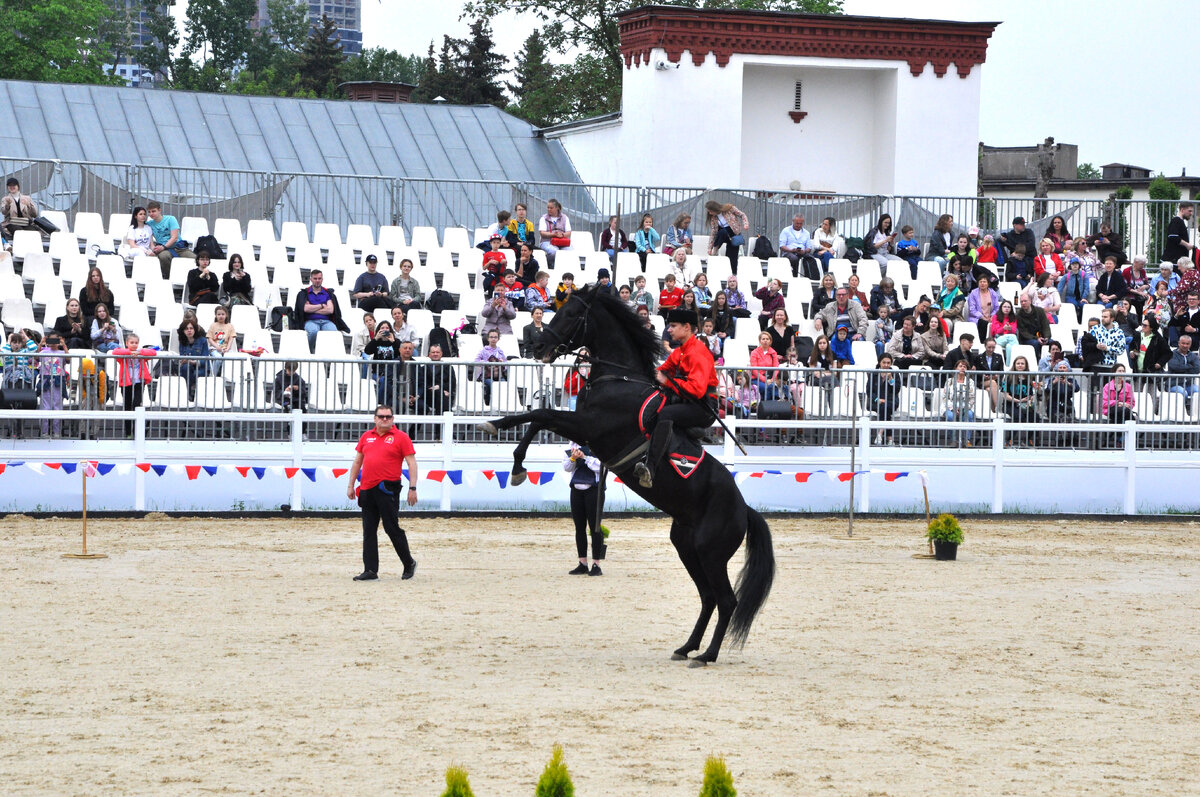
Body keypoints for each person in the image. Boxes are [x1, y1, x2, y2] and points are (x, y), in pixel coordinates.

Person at [633, 308, 717, 489]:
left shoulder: (697, 353)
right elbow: (662, 372)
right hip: (686, 400)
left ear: (687, 327)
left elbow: (696, 390)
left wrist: (668, 381)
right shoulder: (679, 352)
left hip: (704, 407)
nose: (669, 330)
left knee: (666, 414)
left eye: (673, 326)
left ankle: (651, 467)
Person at [346, 405, 419, 581]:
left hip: (387, 488)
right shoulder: (366, 437)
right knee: (368, 530)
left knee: (391, 528)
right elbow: (357, 462)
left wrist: (413, 487)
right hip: (367, 488)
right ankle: (370, 570)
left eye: (388, 417)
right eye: (381, 416)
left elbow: (412, 464)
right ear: (375, 418)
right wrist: (350, 485)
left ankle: (408, 562)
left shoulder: (401, 438)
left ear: (393, 419)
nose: (385, 419)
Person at [564, 442, 605, 576]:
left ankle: (596, 564)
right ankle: (582, 563)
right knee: (579, 527)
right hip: (576, 489)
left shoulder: (599, 442)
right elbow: (566, 467)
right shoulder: (572, 444)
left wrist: (585, 457)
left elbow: (602, 467)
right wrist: (573, 458)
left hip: (594, 490)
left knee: (595, 527)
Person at [294, 269, 349, 351]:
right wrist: (322, 305)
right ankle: (309, 353)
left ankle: (328, 356)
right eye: (315, 278)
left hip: (326, 321)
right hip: (310, 321)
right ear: (311, 279)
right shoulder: (304, 293)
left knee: (333, 331)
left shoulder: (328, 293)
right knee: (313, 331)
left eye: (319, 278)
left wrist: (312, 308)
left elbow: (330, 310)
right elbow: (305, 309)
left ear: (322, 279)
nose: (317, 281)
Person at [145, 200, 195, 278]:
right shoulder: (149, 224)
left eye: (153, 211)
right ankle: (170, 278)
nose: (151, 214)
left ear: (159, 210)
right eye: (149, 212)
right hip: (163, 250)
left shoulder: (170, 219)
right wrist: (154, 249)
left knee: (194, 258)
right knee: (164, 257)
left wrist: (163, 247)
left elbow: (174, 237)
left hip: (178, 247)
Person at [1000, 356, 1042, 447]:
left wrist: (1028, 401)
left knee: (1036, 417)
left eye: (1022, 363)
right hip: (1010, 404)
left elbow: (1030, 394)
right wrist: (1018, 401)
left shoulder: (1029, 378)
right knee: (1018, 416)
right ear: (1014, 365)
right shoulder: (1008, 377)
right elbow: (1005, 396)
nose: (1020, 365)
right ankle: (1009, 439)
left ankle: (1028, 440)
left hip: (1024, 405)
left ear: (1026, 365)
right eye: (1018, 363)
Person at [704, 200, 749, 275]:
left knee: (732, 257)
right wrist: (710, 247)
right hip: (723, 234)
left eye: (711, 211)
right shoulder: (713, 218)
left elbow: (742, 215)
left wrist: (745, 224)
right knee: (722, 232)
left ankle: (732, 274)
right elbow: (713, 232)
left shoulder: (730, 209)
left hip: (734, 234)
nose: (710, 213)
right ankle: (715, 248)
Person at [36, 334, 69, 437]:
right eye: (51, 339)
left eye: (56, 340)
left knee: (57, 407)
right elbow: (36, 358)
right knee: (45, 406)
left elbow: (68, 360)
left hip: (59, 380)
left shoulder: (62, 352)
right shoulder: (43, 351)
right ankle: (44, 432)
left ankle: (57, 432)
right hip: (45, 380)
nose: (53, 342)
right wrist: (41, 344)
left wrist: (64, 345)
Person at [363, 320, 401, 406]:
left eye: (387, 328)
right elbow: (367, 351)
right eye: (382, 328)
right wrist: (375, 339)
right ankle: (380, 403)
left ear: (390, 330)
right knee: (385, 380)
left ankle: (382, 403)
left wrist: (393, 342)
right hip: (378, 373)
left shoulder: (396, 341)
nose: (385, 329)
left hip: (393, 373)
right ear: (378, 330)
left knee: (388, 381)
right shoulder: (376, 342)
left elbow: (401, 353)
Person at [415, 343, 457, 416]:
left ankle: (439, 425)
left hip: (445, 395)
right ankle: (446, 421)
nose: (435, 354)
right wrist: (436, 389)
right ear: (429, 354)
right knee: (441, 396)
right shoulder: (423, 368)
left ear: (441, 354)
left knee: (440, 395)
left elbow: (452, 383)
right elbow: (421, 383)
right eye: (433, 352)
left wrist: (440, 387)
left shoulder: (448, 368)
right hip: (428, 396)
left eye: (437, 352)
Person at [943, 358, 977, 447]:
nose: (962, 368)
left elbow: (972, 398)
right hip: (950, 406)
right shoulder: (949, 381)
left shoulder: (970, 382)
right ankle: (954, 440)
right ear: (955, 369)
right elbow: (945, 397)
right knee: (950, 416)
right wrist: (952, 408)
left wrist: (965, 408)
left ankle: (967, 440)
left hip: (966, 406)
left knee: (969, 415)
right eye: (960, 366)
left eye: (965, 366)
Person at [867, 353, 899, 445]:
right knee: (884, 409)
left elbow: (896, 390)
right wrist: (877, 399)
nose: (886, 365)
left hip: (891, 401)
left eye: (888, 363)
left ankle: (880, 434)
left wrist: (890, 378)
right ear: (879, 363)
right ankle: (890, 438)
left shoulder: (894, 374)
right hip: (876, 402)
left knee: (885, 407)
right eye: (884, 362)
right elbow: (869, 391)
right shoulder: (874, 374)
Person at [174, 318, 209, 397]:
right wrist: (183, 360)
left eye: (191, 328)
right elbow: (182, 356)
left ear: (195, 330)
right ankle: (188, 394)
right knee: (185, 368)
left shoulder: (203, 341)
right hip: (187, 367)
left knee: (193, 373)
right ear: (183, 331)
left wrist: (192, 361)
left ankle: (188, 393)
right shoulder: (182, 341)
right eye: (186, 329)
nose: (189, 331)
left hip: (200, 368)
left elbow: (205, 360)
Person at [474, 329, 508, 404]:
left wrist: (502, 363)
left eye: (495, 337)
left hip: (499, 375)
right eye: (491, 337)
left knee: (504, 385)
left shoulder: (500, 351)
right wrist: (486, 363)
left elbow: (506, 365)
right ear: (488, 338)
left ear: (498, 339)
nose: (493, 339)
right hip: (487, 376)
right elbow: (476, 361)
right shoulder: (483, 350)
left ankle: (502, 404)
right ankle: (489, 402)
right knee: (493, 385)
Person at [1016, 292, 1051, 359]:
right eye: (1021, 302)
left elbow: (1046, 326)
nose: (1023, 303)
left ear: (1030, 301)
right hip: (1027, 339)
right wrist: (1036, 338)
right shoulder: (1018, 315)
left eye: (1025, 301)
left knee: (1052, 343)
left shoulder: (1040, 311)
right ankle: (1036, 361)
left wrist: (1046, 337)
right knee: (1035, 343)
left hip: (1041, 337)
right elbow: (1024, 333)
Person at [966, 274, 1001, 343]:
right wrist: (982, 317)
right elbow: (972, 310)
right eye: (980, 282)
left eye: (984, 282)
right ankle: (983, 342)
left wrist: (992, 316)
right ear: (978, 283)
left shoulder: (993, 293)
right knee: (983, 323)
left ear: (988, 283)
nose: (982, 283)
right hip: (977, 318)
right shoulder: (974, 293)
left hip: (990, 318)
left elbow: (997, 307)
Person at [538, 198, 571, 267]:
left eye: (551, 208)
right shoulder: (544, 218)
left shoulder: (565, 218)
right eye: (548, 208)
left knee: (570, 251)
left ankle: (565, 267)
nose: (549, 209)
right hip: (547, 241)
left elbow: (568, 232)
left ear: (557, 208)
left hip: (562, 242)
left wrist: (562, 235)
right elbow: (542, 233)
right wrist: (553, 234)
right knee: (553, 251)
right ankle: (550, 266)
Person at [777, 214, 813, 279]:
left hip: (802, 252)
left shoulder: (806, 233)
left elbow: (809, 247)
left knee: (811, 258)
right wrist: (791, 250)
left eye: (800, 224)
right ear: (793, 221)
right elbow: (782, 246)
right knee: (794, 258)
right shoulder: (786, 231)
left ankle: (810, 277)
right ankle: (794, 277)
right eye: (797, 223)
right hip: (789, 252)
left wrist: (804, 251)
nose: (799, 225)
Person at [750, 331, 782, 401]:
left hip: (770, 378)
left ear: (770, 341)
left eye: (767, 339)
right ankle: (764, 406)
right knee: (765, 387)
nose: (765, 341)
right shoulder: (754, 352)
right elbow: (754, 369)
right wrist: (764, 380)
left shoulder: (773, 352)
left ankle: (774, 405)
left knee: (773, 386)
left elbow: (776, 367)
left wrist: (772, 379)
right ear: (760, 341)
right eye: (763, 339)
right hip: (756, 378)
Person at [1167, 335, 1200, 399]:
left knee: (1197, 391)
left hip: (1188, 384)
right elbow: (1175, 367)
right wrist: (1190, 366)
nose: (1185, 345)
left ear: (1190, 344)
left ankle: (1195, 409)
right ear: (1179, 343)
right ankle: (1182, 409)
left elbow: (1197, 369)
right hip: (1173, 384)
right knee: (1183, 393)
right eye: (1183, 343)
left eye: (1187, 344)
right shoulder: (1171, 354)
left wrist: (1183, 367)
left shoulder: (1193, 356)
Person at [206, 304, 236, 374]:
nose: (221, 316)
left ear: (226, 315)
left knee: (232, 357)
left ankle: (227, 375)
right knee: (218, 357)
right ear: (216, 316)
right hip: (214, 348)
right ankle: (213, 375)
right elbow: (210, 338)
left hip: (226, 348)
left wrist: (227, 349)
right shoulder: (213, 325)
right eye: (219, 314)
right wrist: (217, 347)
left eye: (223, 314)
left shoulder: (230, 326)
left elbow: (231, 339)